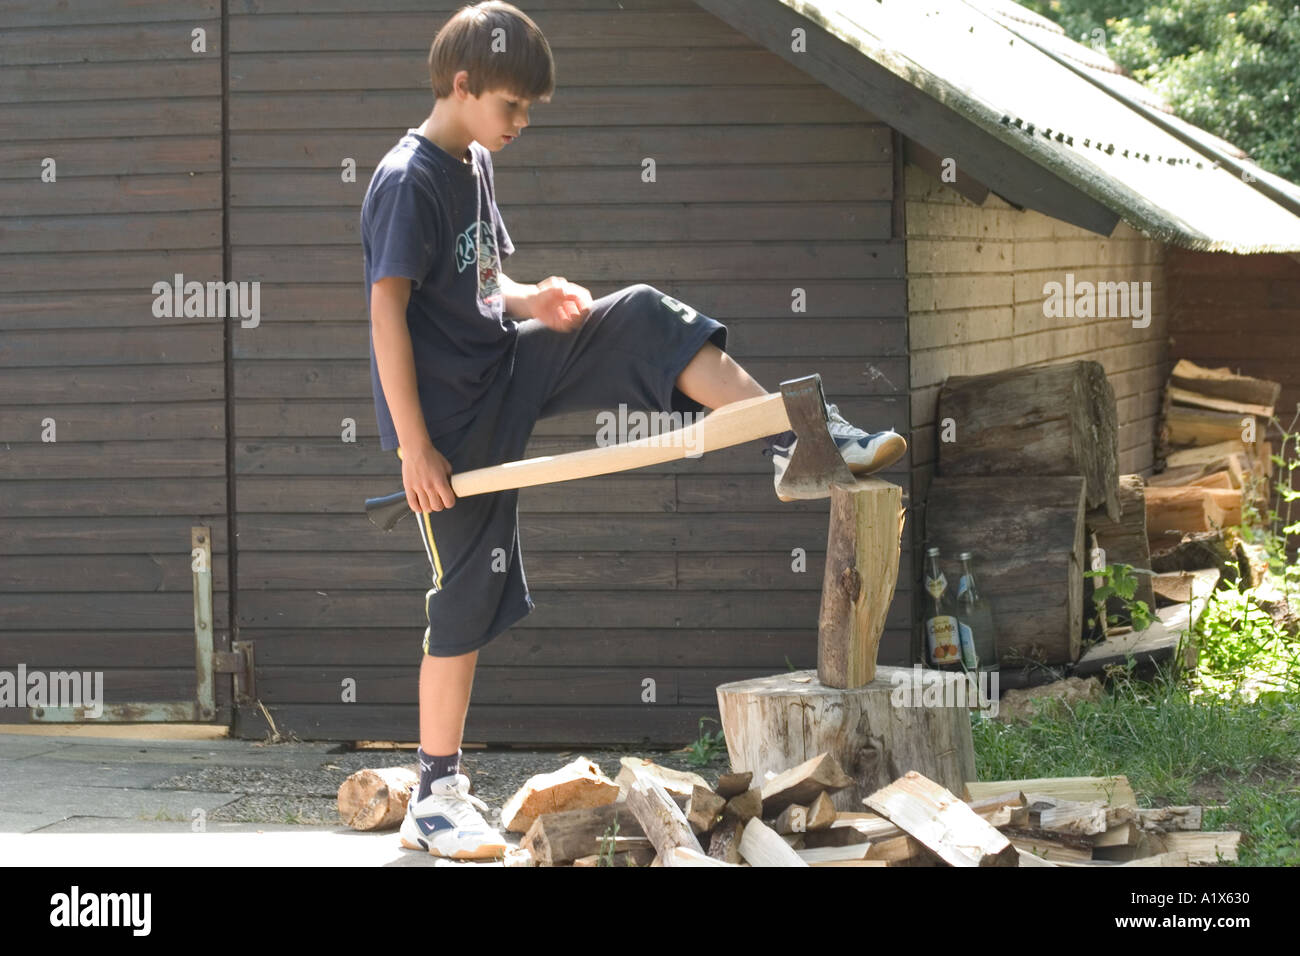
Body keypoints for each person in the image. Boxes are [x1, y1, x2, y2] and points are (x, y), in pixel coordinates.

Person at [360, 1, 907, 859]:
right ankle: (436, 794)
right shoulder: (405, 179)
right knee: (466, 595)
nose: (520, 124)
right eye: (512, 107)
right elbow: (386, 314)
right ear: (462, 85)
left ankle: (794, 439)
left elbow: (481, 282)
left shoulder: (473, 161)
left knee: (645, 315)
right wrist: (413, 445)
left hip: (507, 367)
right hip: (451, 423)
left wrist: (533, 297)